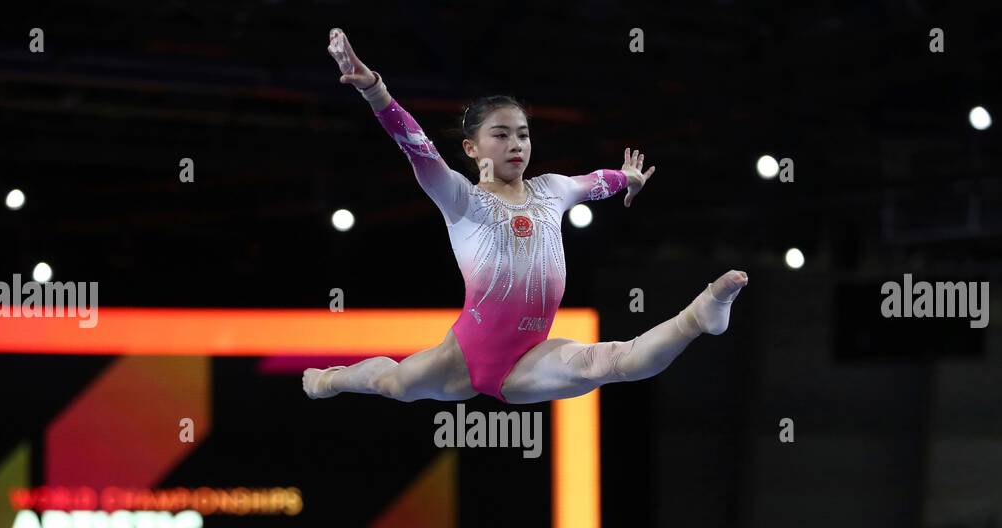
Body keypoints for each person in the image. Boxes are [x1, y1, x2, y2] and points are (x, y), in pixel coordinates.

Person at [305, 28, 747, 404]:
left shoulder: (550, 190)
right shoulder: (460, 199)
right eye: (500, 135)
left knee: (612, 363)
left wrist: (627, 177)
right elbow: (416, 145)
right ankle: (331, 379)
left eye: (523, 134)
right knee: (392, 382)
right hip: (469, 357)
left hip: (532, 356)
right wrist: (373, 89)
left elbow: (594, 181)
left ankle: (698, 316)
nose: (516, 144)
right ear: (471, 148)